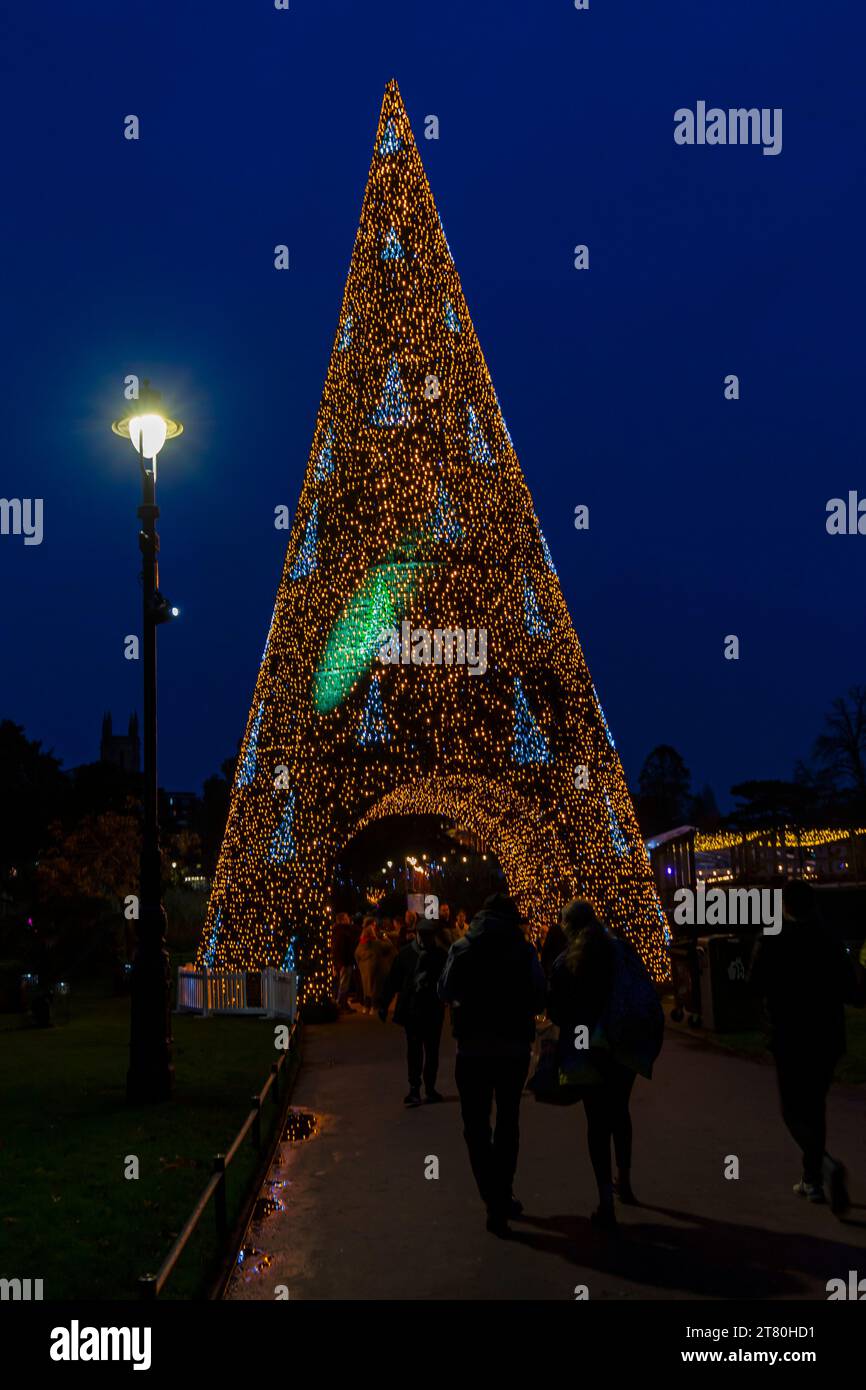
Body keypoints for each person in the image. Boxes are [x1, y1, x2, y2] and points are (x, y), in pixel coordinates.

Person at [548, 900, 662, 1229]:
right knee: (620, 1112)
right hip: (623, 1043)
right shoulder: (621, 951)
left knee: (596, 1122)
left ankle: (604, 1200)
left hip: (587, 1048)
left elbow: (556, 1010)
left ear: (568, 927)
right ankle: (624, 1181)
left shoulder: (565, 962)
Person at [437, 893, 546, 1237]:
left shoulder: (463, 948)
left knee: (476, 1126)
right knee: (508, 1122)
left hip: (472, 1050)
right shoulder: (524, 951)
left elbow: (444, 990)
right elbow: (540, 995)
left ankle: (492, 1196)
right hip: (513, 1048)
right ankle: (503, 1190)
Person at [748, 879, 853, 1213]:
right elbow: (850, 987)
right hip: (826, 1035)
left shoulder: (774, 937)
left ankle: (823, 1168)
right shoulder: (830, 937)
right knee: (814, 1106)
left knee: (792, 1111)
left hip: (790, 1035)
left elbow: (754, 983)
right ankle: (812, 1180)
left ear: (787, 907)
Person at [380, 919, 448, 1106]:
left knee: (432, 1050)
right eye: (423, 935)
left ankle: (430, 1087)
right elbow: (394, 980)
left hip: (433, 1009)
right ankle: (415, 1088)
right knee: (415, 1049)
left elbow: (447, 981)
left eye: (429, 935)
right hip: (413, 1009)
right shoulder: (406, 954)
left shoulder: (440, 955)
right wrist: (383, 1004)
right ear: (417, 934)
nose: (426, 939)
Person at [355, 917, 387, 1014]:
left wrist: (360, 964)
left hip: (363, 967)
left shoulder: (361, 943)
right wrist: (386, 939)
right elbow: (386, 947)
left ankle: (366, 1007)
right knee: (374, 987)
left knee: (366, 987)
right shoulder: (375, 943)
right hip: (374, 966)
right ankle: (373, 1007)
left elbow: (356, 954)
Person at [332, 913, 356, 1012]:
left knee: (343, 983)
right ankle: (341, 1004)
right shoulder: (342, 931)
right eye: (346, 918)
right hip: (344, 961)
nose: (349, 920)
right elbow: (340, 948)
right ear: (342, 920)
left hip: (344, 960)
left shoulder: (338, 931)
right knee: (343, 983)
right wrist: (340, 962)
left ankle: (343, 1003)